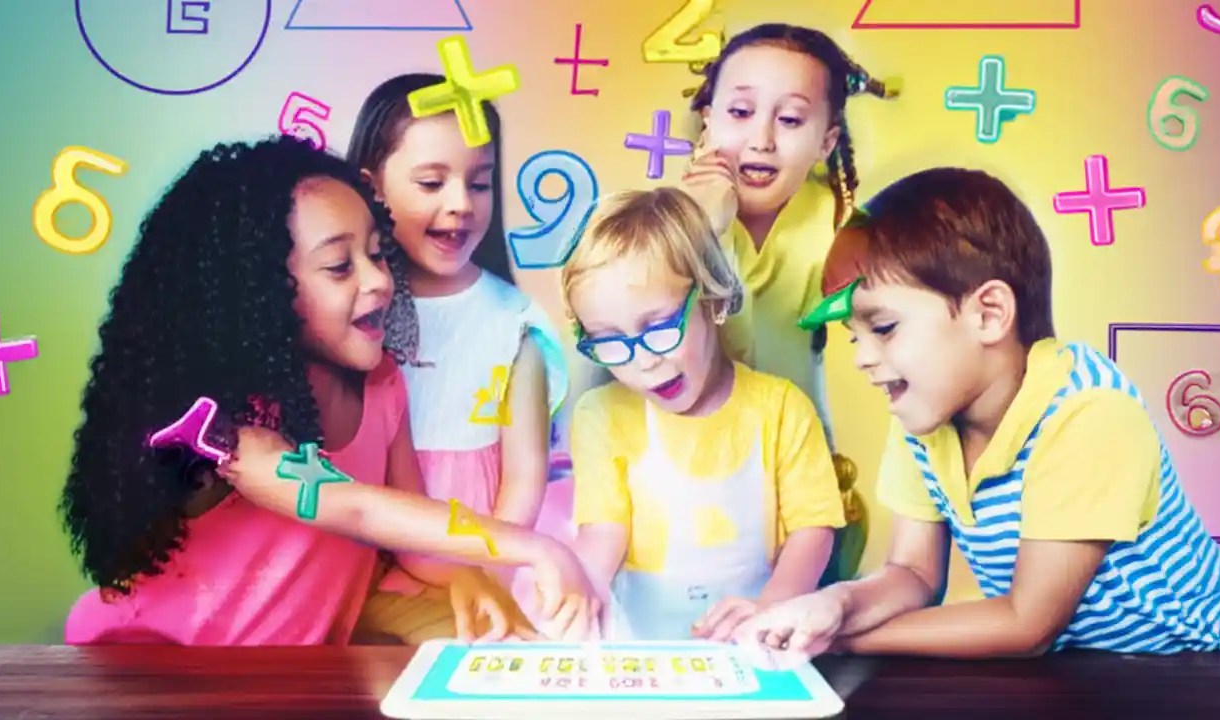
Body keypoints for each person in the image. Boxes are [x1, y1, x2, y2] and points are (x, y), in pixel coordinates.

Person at [60, 136, 596, 646]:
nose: (379, 280)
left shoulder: (385, 386)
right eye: (341, 266)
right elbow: (353, 508)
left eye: (378, 253)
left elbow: (406, 528)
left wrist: (460, 575)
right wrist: (532, 547)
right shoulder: (236, 427)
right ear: (260, 293)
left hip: (284, 683)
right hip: (155, 664)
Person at [736, 167, 1220, 657]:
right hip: (1075, 675)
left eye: (885, 328)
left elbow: (1026, 624)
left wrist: (838, 639)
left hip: (1205, 667)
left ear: (989, 314)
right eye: (854, 336)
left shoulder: (1088, 411)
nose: (862, 357)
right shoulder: (921, 417)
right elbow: (913, 574)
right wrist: (834, 605)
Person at [554, 187, 844, 642]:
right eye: (609, 339)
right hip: (639, 650)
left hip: (754, 642)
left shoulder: (781, 408)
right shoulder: (600, 414)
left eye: (659, 327)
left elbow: (813, 530)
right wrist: (576, 592)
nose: (643, 360)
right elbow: (603, 532)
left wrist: (770, 607)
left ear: (711, 297)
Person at [344, 73, 574, 644]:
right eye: (431, 182)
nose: (460, 205)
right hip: (364, 562)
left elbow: (523, 479)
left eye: (479, 183)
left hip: (486, 557)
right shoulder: (353, 316)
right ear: (372, 189)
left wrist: (482, 566)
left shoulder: (512, 324)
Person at [680, 23, 898, 584]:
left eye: (791, 119)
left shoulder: (838, 227)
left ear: (826, 141)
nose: (761, 140)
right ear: (709, 121)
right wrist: (703, 230)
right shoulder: (657, 223)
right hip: (679, 481)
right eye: (740, 113)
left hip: (799, 484)